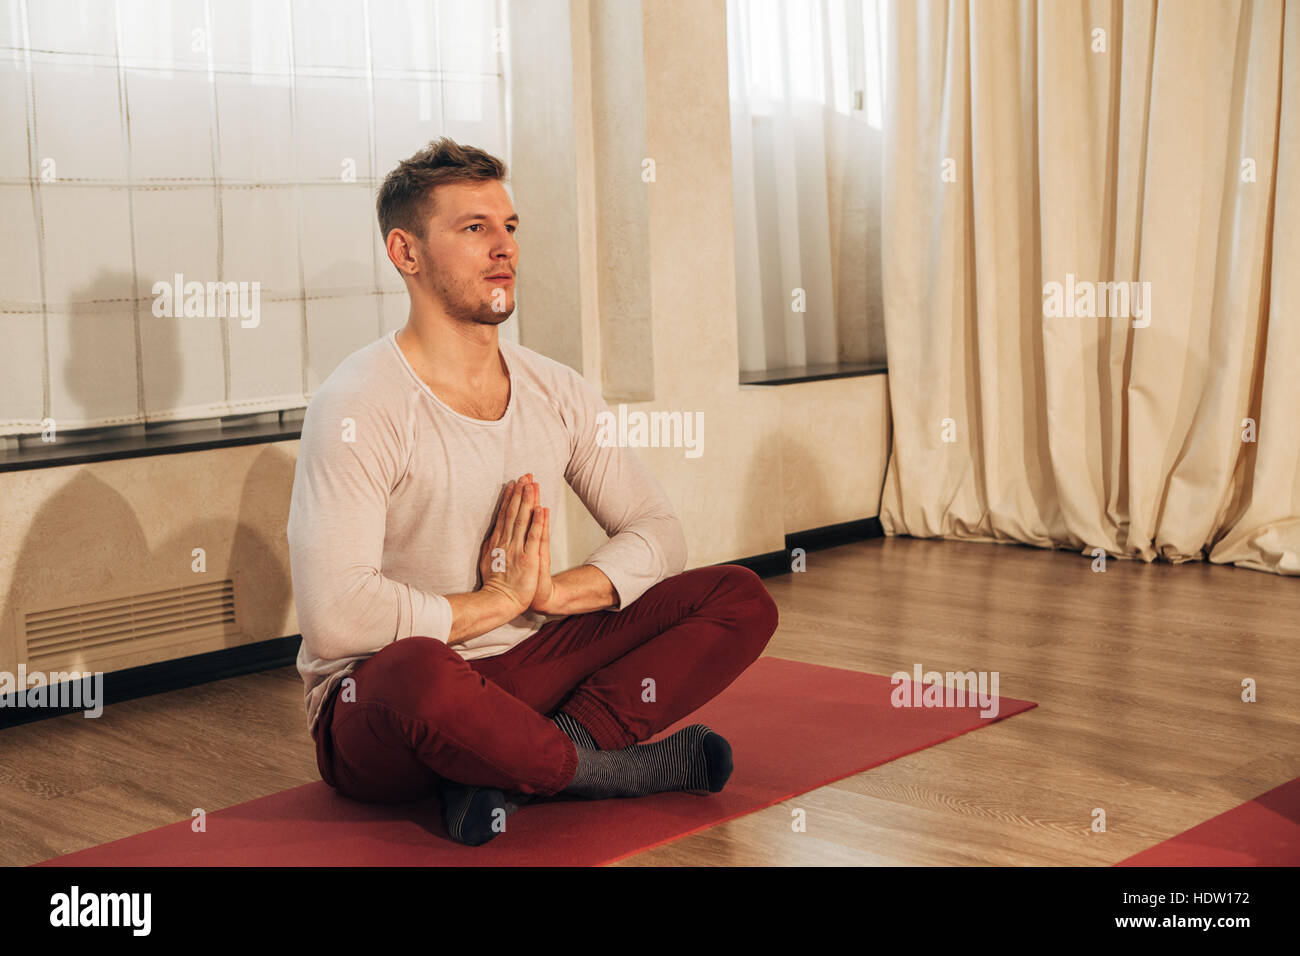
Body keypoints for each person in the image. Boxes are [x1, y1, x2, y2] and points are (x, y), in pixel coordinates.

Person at [286, 137, 779, 846]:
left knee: (735, 597)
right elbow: (335, 619)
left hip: (524, 667)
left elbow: (657, 529)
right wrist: (491, 604)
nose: (504, 248)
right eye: (474, 228)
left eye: (509, 226)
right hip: (387, 708)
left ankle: (500, 768)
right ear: (406, 252)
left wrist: (551, 596)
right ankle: (606, 771)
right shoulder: (359, 403)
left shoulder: (557, 388)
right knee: (418, 671)